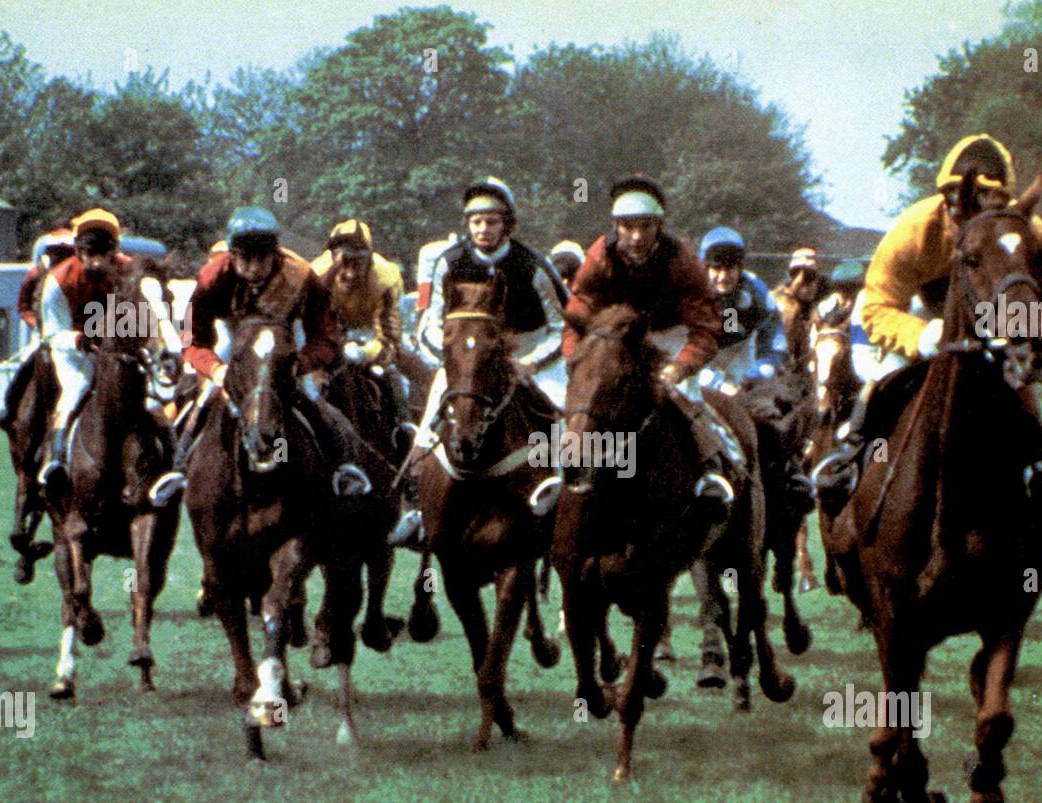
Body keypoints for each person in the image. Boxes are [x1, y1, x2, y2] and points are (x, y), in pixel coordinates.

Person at [820, 134, 1042, 498]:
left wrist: (1030, 338)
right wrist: (924, 336)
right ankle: (852, 454)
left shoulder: (1026, 233)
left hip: (983, 317)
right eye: (954, 199)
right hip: (911, 316)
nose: (961, 212)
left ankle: (1039, 463)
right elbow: (877, 306)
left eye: (978, 201)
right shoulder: (914, 229)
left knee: (1017, 387)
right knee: (884, 381)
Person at [390, 177, 569, 547]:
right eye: (476, 221)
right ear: (467, 225)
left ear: (508, 224)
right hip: (469, 357)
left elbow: (563, 327)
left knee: (566, 413)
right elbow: (428, 327)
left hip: (529, 353)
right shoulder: (449, 263)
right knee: (429, 421)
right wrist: (458, 363)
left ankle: (568, 501)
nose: (483, 229)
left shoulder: (532, 265)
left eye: (492, 221)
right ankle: (419, 508)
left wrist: (531, 364)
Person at [148, 205, 369, 505]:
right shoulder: (212, 276)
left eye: (261, 257)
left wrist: (300, 364)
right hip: (231, 331)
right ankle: (179, 467)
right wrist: (215, 370)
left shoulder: (301, 275)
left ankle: (343, 466)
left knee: (309, 393)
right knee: (207, 394)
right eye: (245, 257)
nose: (253, 267)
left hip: (287, 333)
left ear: (275, 254)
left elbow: (326, 336)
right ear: (232, 255)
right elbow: (191, 339)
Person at [561, 174, 743, 516]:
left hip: (669, 336)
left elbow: (705, 328)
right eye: (627, 227)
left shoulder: (682, 259)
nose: (636, 237)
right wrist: (576, 359)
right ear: (616, 227)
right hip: (617, 340)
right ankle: (556, 474)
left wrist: (681, 366)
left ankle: (711, 471)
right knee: (579, 398)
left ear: (659, 226)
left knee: (683, 395)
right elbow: (578, 311)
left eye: (645, 227)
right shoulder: (600, 256)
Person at [36, 209, 137, 493]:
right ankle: (55, 460)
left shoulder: (129, 273)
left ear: (113, 252)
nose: (95, 261)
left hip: (115, 351)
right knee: (77, 389)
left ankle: (167, 461)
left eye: (102, 254)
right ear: (78, 252)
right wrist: (81, 340)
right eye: (88, 253)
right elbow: (52, 335)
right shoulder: (58, 281)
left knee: (149, 396)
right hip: (74, 354)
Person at [310, 218, 410, 445]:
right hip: (334, 330)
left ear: (370, 262)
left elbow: (390, 341)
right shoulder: (315, 275)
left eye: (358, 265)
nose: (350, 274)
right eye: (343, 264)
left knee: (395, 376)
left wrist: (365, 353)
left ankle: (404, 432)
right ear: (332, 260)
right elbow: (309, 332)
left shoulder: (386, 278)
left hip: (371, 331)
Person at [696, 226, 784, 388]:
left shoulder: (757, 291)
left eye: (730, 268)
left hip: (740, 354)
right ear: (705, 268)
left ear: (740, 268)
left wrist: (761, 371)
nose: (723, 277)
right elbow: (678, 346)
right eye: (716, 268)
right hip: (698, 360)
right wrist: (717, 383)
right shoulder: (690, 293)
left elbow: (775, 341)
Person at [18, 228, 75, 337]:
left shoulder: (78, 274)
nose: (60, 256)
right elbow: (24, 305)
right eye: (56, 251)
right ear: (48, 252)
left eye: (66, 252)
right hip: (43, 333)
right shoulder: (37, 273)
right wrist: (34, 324)